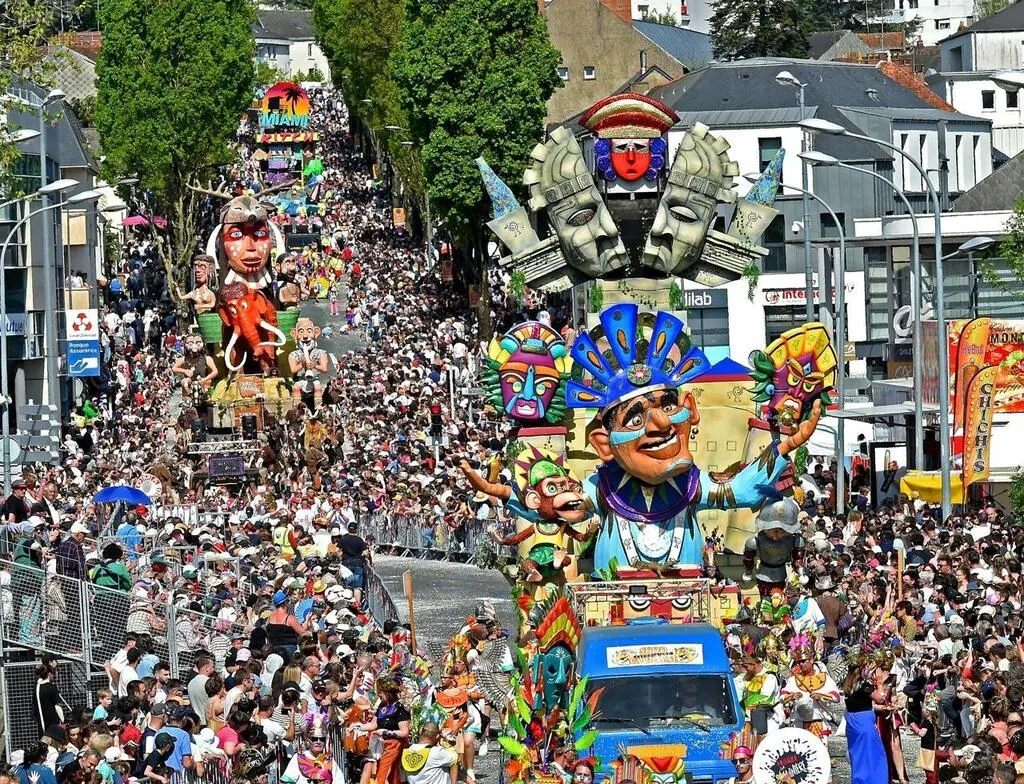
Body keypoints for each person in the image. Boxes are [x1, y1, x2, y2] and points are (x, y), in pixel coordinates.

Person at [337, 521, 369, 607]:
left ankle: (345, 604)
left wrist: (340, 558)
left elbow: (337, 551)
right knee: (357, 586)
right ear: (356, 530)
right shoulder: (360, 540)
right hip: (358, 563)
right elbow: (365, 553)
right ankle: (357, 605)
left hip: (346, 564)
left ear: (348, 529)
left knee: (346, 585)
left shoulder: (343, 539)